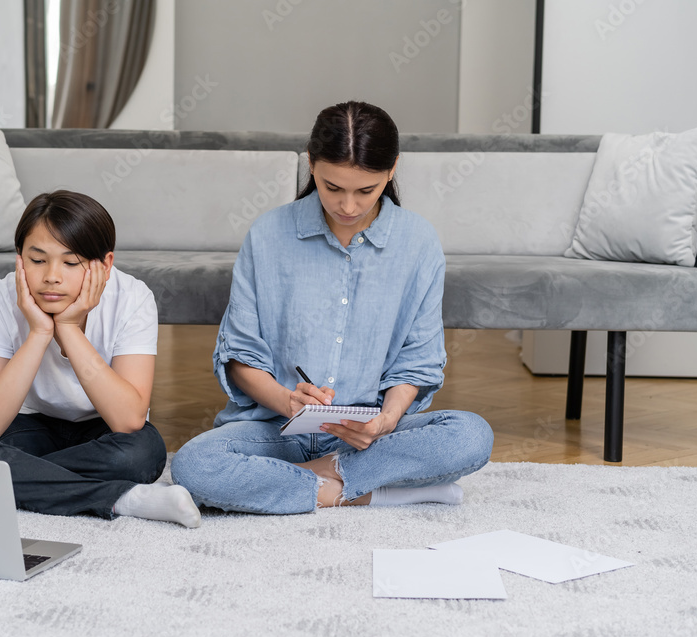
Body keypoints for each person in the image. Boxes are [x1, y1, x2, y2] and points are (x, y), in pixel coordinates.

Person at [170, 101, 494, 514]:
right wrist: (287, 400)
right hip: (277, 430)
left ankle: (304, 481)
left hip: (366, 436)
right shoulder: (268, 234)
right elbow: (239, 357)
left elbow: (418, 363)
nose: (348, 206)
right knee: (194, 465)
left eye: (366, 190)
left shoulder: (418, 242)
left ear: (391, 170)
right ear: (311, 165)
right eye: (332, 188)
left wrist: (387, 420)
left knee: (470, 435)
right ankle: (366, 490)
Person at [0, 190, 201, 528]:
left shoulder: (133, 298)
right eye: (37, 259)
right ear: (19, 259)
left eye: (71, 263)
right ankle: (121, 498)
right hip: (29, 425)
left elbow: (129, 419)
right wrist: (39, 334)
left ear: (105, 265)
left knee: (142, 452)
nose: (51, 277)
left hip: (102, 430)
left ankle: (13, 475)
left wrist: (70, 328)